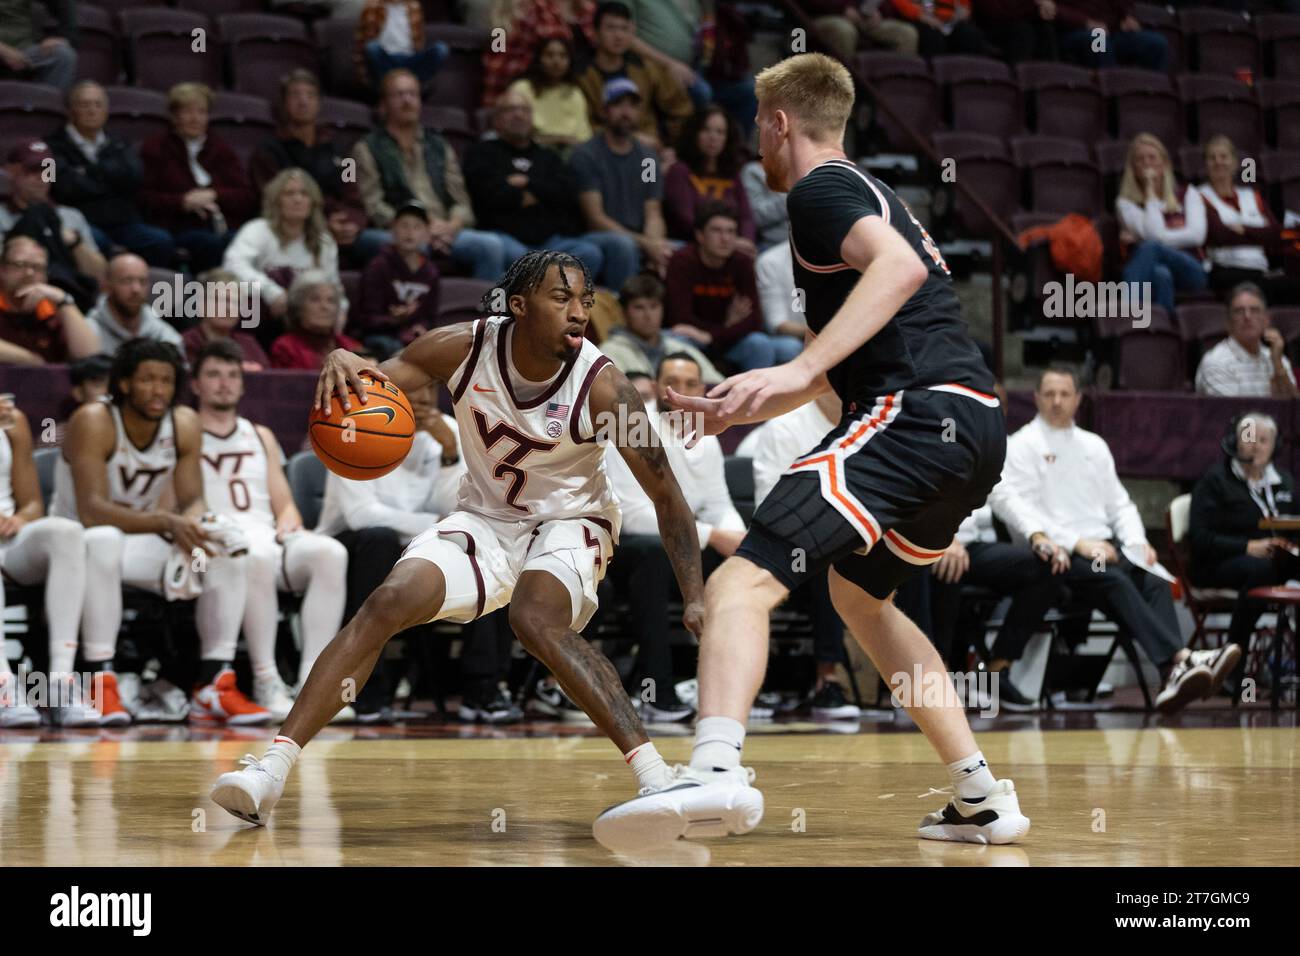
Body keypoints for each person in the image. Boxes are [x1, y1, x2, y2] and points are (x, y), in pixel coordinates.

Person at [596, 54, 1026, 849]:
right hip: (968, 425)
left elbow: (894, 274)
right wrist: (758, 398)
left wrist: (797, 366)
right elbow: (865, 347)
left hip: (913, 412)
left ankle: (715, 770)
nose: (757, 140)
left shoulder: (821, 189)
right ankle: (981, 793)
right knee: (862, 600)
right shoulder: (873, 195)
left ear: (778, 123)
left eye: (759, 124)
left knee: (741, 582)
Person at [210, 250, 706, 828]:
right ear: (518, 305)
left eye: (585, 302)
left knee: (534, 617)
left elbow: (667, 495)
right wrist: (344, 359)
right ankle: (270, 769)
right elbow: (370, 387)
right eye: (561, 298)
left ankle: (656, 776)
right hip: (485, 518)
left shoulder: (604, 388)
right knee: (387, 600)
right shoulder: (461, 348)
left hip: (572, 523)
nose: (578, 313)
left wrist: (693, 594)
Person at [989, 365, 1242, 713]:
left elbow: (1120, 504)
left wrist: (1138, 544)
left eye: (1065, 394)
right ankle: (1180, 660)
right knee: (1112, 579)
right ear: (1035, 398)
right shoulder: (1020, 446)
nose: (1057, 401)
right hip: (1060, 556)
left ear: (1078, 399)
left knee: (1152, 577)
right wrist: (1078, 543)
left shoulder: (1095, 446)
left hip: (1106, 546)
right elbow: (1025, 515)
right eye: (1049, 394)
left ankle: (1172, 675)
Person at [50, 339, 261, 726]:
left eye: (165, 380)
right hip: (76, 546)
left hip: (139, 543)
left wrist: (200, 525)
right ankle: (101, 679)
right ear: (125, 383)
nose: (158, 389)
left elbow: (192, 497)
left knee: (221, 550)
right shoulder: (93, 420)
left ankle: (214, 681)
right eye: (147, 380)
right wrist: (167, 523)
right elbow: (92, 511)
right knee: (104, 539)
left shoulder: (183, 423)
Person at [193, 339, 351, 722]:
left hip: (267, 534)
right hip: (219, 545)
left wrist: (288, 516)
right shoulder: (185, 431)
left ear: (243, 385)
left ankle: (315, 683)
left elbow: (282, 499)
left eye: (232, 375)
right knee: (256, 553)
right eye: (213, 375)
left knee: (331, 553)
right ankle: (267, 679)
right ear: (195, 384)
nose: (224, 383)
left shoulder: (258, 434)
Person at [599, 352, 745, 721]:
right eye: (673, 384)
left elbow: (718, 503)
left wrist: (739, 538)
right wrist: (713, 535)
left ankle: (730, 691)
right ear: (657, 388)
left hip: (681, 545)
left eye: (690, 385)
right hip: (624, 550)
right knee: (652, 555)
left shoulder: (706, 437)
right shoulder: (633, 427)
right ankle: (656, 689)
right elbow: (632, 516)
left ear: (703, 390)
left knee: (743, 563)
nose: (681, 393)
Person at [313, 380, 464, 721]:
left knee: (479, 546)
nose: (423, 398)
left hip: (417, 544)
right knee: (379, 540)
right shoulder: (353, 427)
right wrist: (433, 521)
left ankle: (482, 692)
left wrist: (451, 453)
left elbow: (458, 509)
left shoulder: (449, 430)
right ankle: (368, 693)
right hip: (349, 547)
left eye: (428, 390)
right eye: (413, 390)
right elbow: (361, 515)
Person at [737, 389, 864, 719]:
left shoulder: (867, 424)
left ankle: (920, 685)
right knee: (827, 560)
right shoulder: (783, 427)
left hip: (850, 539)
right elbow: (769, 502)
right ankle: (827, 680)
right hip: (788, 543)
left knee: (914, 564)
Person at [353, 69, 518, 281]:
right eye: (399, 94)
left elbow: (461, 200)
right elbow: (373, 205)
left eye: (413, 94)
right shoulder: (367, 147)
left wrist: (452, 225)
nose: (407, 100)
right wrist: (415, 228)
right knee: (410, 245)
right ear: (383, 104)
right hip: (399, 229)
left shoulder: (439, 145)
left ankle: (486, 312)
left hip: (444, 228)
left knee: (491, 246)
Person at [0, 394, 96, 727]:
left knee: (66, 532)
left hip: (9, 545)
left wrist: (21, 518)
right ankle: (3, 685)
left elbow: (30, 504)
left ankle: (59, 683)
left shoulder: (13, 420)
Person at [1189, 411, 1299, 692]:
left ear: (1276, 445)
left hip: (1274, 563)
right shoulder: (1215, 481)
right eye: (1248, 438)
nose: (1256, 445)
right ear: (1233, 442)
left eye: (1264, 439)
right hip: (1217, 564)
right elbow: (1199, 539)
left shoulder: (1283, 481)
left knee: (1273, 568)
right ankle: (1233, 668)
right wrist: (1247, 546)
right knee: (1262, 570)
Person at [462, 89, 607, 283]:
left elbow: (565, 194)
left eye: (524, 110)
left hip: (550, 241)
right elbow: (487, 195)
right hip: (504, 237)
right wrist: (538, 192)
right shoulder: (482, 153)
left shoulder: (548, 156)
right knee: (521, 258)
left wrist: (526, 182)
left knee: (589, 253)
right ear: (496, 120)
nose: (518, 114)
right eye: (510, 109)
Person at [249, 70, 374, 267]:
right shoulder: (267, 152)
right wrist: (322, 224)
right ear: (283, 103)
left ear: (319, 103)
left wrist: (352, 223)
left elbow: (353, 193)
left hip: (342, 229)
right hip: (295, 231)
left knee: (387, 247)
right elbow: (273, 202)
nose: (303, 101)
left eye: (310, 95)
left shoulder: (341, 150)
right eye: (295, 95)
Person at [46, 81, 176, 267]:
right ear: (70, 109)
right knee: (97, 242)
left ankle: (143, 292)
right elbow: (61, 186)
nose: (92, 110)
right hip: (83, 222)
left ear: (107, 110)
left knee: (160, 241)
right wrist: (111, 176)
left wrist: (86, 173)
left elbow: (135, 177)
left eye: (98, 104)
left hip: (123, 222)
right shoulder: (51, 146)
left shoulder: (120, 143)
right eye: (84, 104)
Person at [665, 200, 799, 372]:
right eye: (717, 231)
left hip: (726, 339)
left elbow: (754, 321)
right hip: (695, 338)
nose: (725, 238)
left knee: (762, 343)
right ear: (700, 235)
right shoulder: (682, 261)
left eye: (731, 231)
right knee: (677, 339)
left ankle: (756, 396)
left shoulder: (742, 262)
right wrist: (725, 328)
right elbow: (680, 318)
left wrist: (713, 335)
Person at [139, 83, 258, 273]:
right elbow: (145, 199)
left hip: (222, 225)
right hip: (178, 227)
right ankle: (207, 297)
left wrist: (214, 195)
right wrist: (183, 202)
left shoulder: (220, 148)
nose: (195, 119)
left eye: (201, 112)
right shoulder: (155, 148)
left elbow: (245, 196)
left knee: (240, 240)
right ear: (174, 116)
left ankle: (239, 298)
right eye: (187, 112)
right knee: (208, 243)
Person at [570, 79, 672, 285]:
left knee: (682, 252)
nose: (626, 112)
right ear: (604, 111)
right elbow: (595, 219)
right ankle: (619, 308)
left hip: (638, 237)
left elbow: (653, 212)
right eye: (618, 104)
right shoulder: (586, 155)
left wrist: (656, 245)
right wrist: (645, 244)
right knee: (624, 245)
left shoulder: (648, 159)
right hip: (596, 237)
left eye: (633, 106)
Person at [223, 168, 343, 323]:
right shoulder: (257, 230)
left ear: (313, 202)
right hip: (260, 316)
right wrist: (271, 292)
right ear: (276, 200)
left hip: (307, 321)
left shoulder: (324, 241)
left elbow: (332, 283)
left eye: (304, 194)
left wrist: (342, 311)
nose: (297, 199)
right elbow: (233, 266)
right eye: (289, 193)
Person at [1, 139, 107, 309]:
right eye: (33, 170)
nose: (42, 178)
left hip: (68, 302)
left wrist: (74, 243)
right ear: (11, 171)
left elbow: (100, 277)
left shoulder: (71, 216)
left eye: (48, 170)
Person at [575, 2, 693, 152]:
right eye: (611, 28)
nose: (618, 35)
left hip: (648, 149)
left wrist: (672, 146)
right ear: (596, 33)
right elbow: (581, 126)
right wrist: (631, 139)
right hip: (601, 153)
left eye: (624, 29)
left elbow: (681, 109)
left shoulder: (645, 68)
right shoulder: (582, 75)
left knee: (650, 172)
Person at [1195, 135, 1300, 305]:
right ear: (1205, 165)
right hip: (1225, 270)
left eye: (1223, 156)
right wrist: (1260, 234)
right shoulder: (1198, 195)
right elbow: (1219, 235)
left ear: (1235, 163)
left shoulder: (1252, 195)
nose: (1218, 162)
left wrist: (1245, 229)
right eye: (1212, 157)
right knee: (1259, 291)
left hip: (1259, 269)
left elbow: (1278, 235)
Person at [1116, 133, 1208, 318]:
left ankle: (1125, 311)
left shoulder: (1188, 193)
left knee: (1150, 247)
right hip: (1153, 271)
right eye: (1140, 160)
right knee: (1161, 274)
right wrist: (1150, 192)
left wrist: (1157, 240)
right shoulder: (1126, 203)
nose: (1147, 163)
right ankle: (1162, 328)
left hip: (1192, 269)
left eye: (1152, 157)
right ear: (1133, 168)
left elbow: (1197, 235)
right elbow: (1154, 233)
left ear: (1164, 163)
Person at [663, 105, 757, 253]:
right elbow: (685, 220)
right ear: (694, 134)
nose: (713, 137)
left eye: (720, 132)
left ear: (727, 138)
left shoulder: (732, 174)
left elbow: (746, 217)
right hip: (691, 245)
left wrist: (746, 240)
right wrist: (727, 241)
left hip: (729, 244)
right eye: (706, 130)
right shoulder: (679, 171)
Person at [354, 202, 441, 360]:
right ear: (393, 230)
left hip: (412, 338)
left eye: (417, 227)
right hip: (380, 337)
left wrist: (421, 327)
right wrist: (392, 320)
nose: (410, 232)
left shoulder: (431, 272)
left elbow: (430, 316)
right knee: (393, 349)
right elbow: (365, 317)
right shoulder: (378, 266)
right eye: (404, 226)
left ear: (427, 234)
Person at [600, 273, 722, 384]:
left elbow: (718, 384)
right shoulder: (610, 353)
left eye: (654, 306)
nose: (648, 315)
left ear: (663, 309)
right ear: (624, 312)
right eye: (639, 308)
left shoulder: (679, 348)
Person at [0, 236, 101, 365]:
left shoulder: (54, 310)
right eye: (20, 264)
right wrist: (29, 359)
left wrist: (64, 301)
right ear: (2, 269)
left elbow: (90, 358)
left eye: (38, 267)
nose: (29, 273)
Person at [482, 0, 596, 109]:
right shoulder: (530, 10)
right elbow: (496, 61)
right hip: (532, 91)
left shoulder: (588, 9)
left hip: (575, 89)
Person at [1194, 282, 1297, 398]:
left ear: (1266, 320)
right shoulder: (1215, 362)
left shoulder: (1277, 358)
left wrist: (1278, 366)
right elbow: (1231, 413)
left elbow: (1292, 410)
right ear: (1228, 322)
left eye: (1254, 310)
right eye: (1239, 311)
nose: (1247, 316)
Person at [505, 36, 595, 152]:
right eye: (549, 55)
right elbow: (512, 132)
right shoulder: (522, 89)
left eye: (563, 56)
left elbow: (583, 138)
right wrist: (558, 139)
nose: (556, 61)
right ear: (539, 59)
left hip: (570, 153)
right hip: (529, 151)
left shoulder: (574, 93)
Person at [86, 253, 183, 355]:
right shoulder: (89, 331)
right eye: (127, 281)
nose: (136, 289)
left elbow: (182, 362)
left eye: (143, 281)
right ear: (106, 286)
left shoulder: (158, 329)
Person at [180, 269, 272, 373]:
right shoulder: (186, 343)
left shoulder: (250, 344)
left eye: (235, 302)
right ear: (202, 304)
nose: (229, 308)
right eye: (220, 300)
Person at [270, 271, 364, 371]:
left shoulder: (351, 346)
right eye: (315, 299)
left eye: (331, 300)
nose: (324, 306)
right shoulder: (285, 348)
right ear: (298, 307)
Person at [353, 0, 449, 89]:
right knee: (372, 48)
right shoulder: (372, 6)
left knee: (441, 49)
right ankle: (390, 88)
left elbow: (419, 41)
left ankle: (411, 86)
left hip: (409, 60)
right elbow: (362, 41)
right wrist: (362, 73)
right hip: (385, 59)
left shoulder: (414, 6)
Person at [1056, 0, 1168, 71]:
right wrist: (1086, 23)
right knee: (1099, 39)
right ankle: (1112, 92)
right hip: (1077, 32)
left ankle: (1150, 96)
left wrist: (1128, 17)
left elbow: (1127, 5)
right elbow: (1053, 7)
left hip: (1112, 32)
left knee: (1156, 43)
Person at [0, 0, 76, 90]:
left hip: (23, 47)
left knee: (63, 55)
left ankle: (47, 102)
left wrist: (64, 37)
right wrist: (3, 50)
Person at [805, 1, 919, 58]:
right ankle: (842, 89)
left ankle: (896, 90)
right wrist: (842, 9)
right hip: (823, 16)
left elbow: (885, 4)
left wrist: (878, 13)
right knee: (845, 30)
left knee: (907, 33)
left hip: (862, 17)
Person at [890, 0, 994, 57]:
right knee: (932, 36)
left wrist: (965, 11)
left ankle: (963, 84)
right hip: (918, 16)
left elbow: (964, 5)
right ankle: (934, 84)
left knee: (971, 35)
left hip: (948, 19)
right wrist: (919, 15)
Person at [973, 0, 1060, 63]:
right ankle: (1017, 81)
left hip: (1021, 24)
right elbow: (995, 12)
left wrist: (1044, 6)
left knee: (1045, 30)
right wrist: (1035, 7)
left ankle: (1051, 80)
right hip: (989, 28)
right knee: (1023, 30)